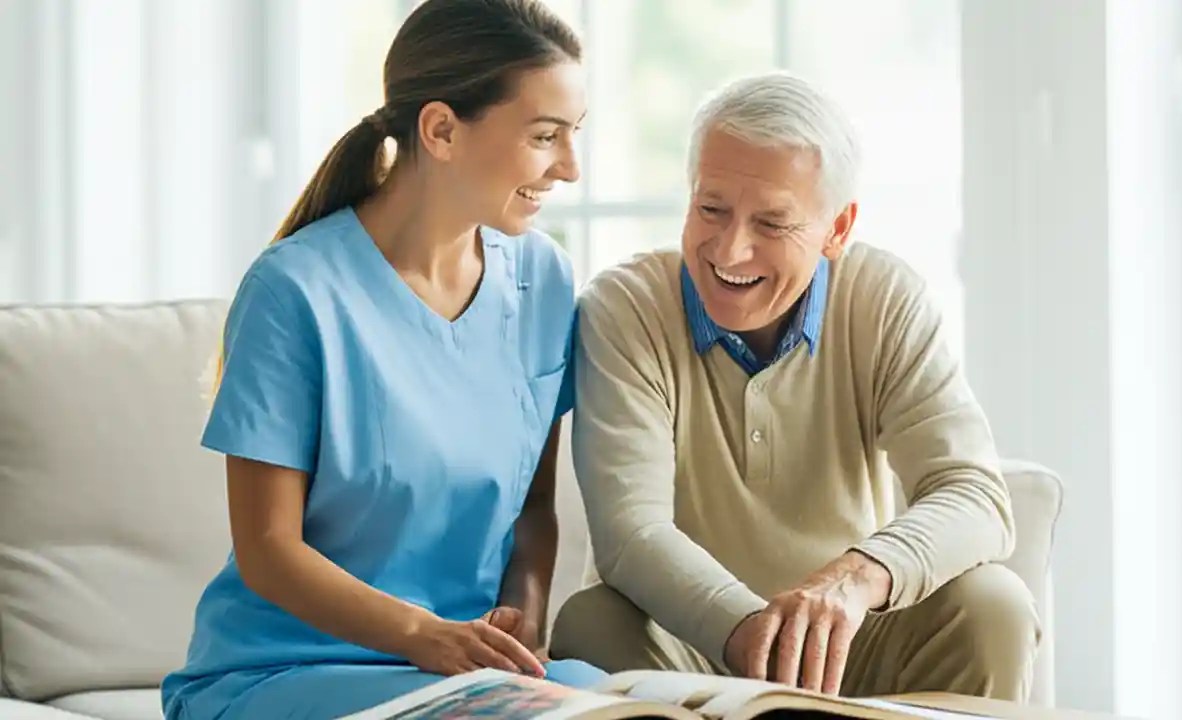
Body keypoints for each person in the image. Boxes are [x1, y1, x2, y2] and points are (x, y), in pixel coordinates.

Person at [161, 1, 604, 718]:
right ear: (440, 130)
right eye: (545, 136)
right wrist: (420, 634)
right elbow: (269, 548)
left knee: (608, 700)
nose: (570, 168)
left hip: (460, 674)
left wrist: (520, 629)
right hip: (282, 674)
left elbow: (531, 510)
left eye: (574, 135)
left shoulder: (543, 279)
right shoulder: (294, 290)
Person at [550, 72, 1040, 702]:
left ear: (837, 228)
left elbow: (974, 494)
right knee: (591, 620)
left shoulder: (883, 299)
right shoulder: (625, 307)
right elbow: (632, 535)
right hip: (685, 645)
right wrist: (754, 631)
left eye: (773, 223)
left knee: (993, 602)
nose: (730, 248)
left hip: (846, 642)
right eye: (710, 208)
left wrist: (854, 581)